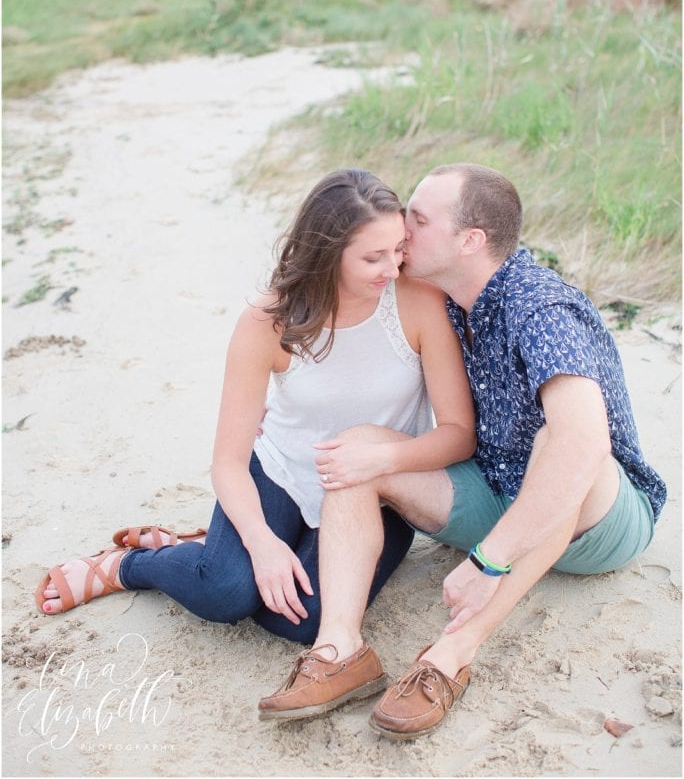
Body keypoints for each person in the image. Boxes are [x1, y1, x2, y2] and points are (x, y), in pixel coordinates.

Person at [259, 162, 667, 739]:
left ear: (470, 241)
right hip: (493, 487)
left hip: (600, 522)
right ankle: (340, 649)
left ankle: (449, 657)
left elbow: (583, 445)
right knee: (358, 451)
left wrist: (489, 559)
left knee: (565, 451)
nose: (403, 227)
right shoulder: (443, 294)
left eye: (420, 219)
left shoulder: (544, 310)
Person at [35, 168, 476, 649]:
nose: (393, 268)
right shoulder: (267, 321)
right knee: (226, 593)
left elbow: (457, 432)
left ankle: (210, 549)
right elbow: (228, 461)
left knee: (302, 620)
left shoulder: (419, 302)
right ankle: (129, 565)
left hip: (376, 490)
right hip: (283, 472)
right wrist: (262, 547)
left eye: (398, 249)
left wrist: (380, 460)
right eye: (374, 257)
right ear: (328, 254)